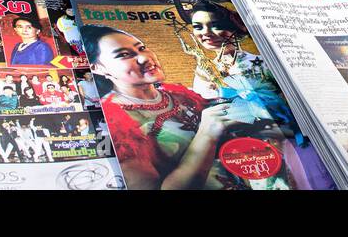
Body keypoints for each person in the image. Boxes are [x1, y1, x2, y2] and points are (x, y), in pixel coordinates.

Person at [83, 24, 291, 190]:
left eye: (142, 48)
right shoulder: (110, 123)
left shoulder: (178, 93)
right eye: (123, 55)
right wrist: (207, 134)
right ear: (97, 68)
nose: (145, 58)